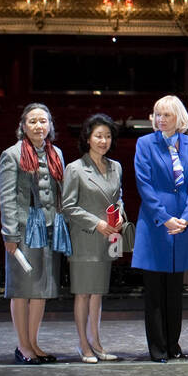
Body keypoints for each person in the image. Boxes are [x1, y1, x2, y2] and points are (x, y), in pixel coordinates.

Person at [132, 95, 188, 362]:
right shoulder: (145, 143)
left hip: (182, 225)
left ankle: (174, 345)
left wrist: (185, 217)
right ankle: (158, 348)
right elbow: (144, 185)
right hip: (155, 225)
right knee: (155, 293)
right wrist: (165, 218)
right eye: (157, 114)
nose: (160, 119)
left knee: (175, 291)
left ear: (179, 118)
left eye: (166, 115)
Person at [0, 102, 66, 363]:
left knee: (42, 289)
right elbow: (7, 199)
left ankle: (34, 343)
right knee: (22, 289)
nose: (39, 126)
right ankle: (22, 346)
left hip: (50, 228)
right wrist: (9, 236)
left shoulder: (56, 153)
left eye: (43, 121)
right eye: (33, 121)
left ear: (49, 125)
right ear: (23, 126)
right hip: (24, 229)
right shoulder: (11, 155)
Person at [60, 113, 124, 362]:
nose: (103, 140)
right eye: (98, 136)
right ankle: (83, 344)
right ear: (88, 138)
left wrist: (119, 215)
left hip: (108, 240)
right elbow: (68, 206)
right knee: (83, 293)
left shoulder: (116, 167)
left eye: (107, 136)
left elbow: (118, 197)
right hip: (85, 238)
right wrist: (96, 223)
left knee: (98, 293)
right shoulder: (75, 169)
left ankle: (97, 342)